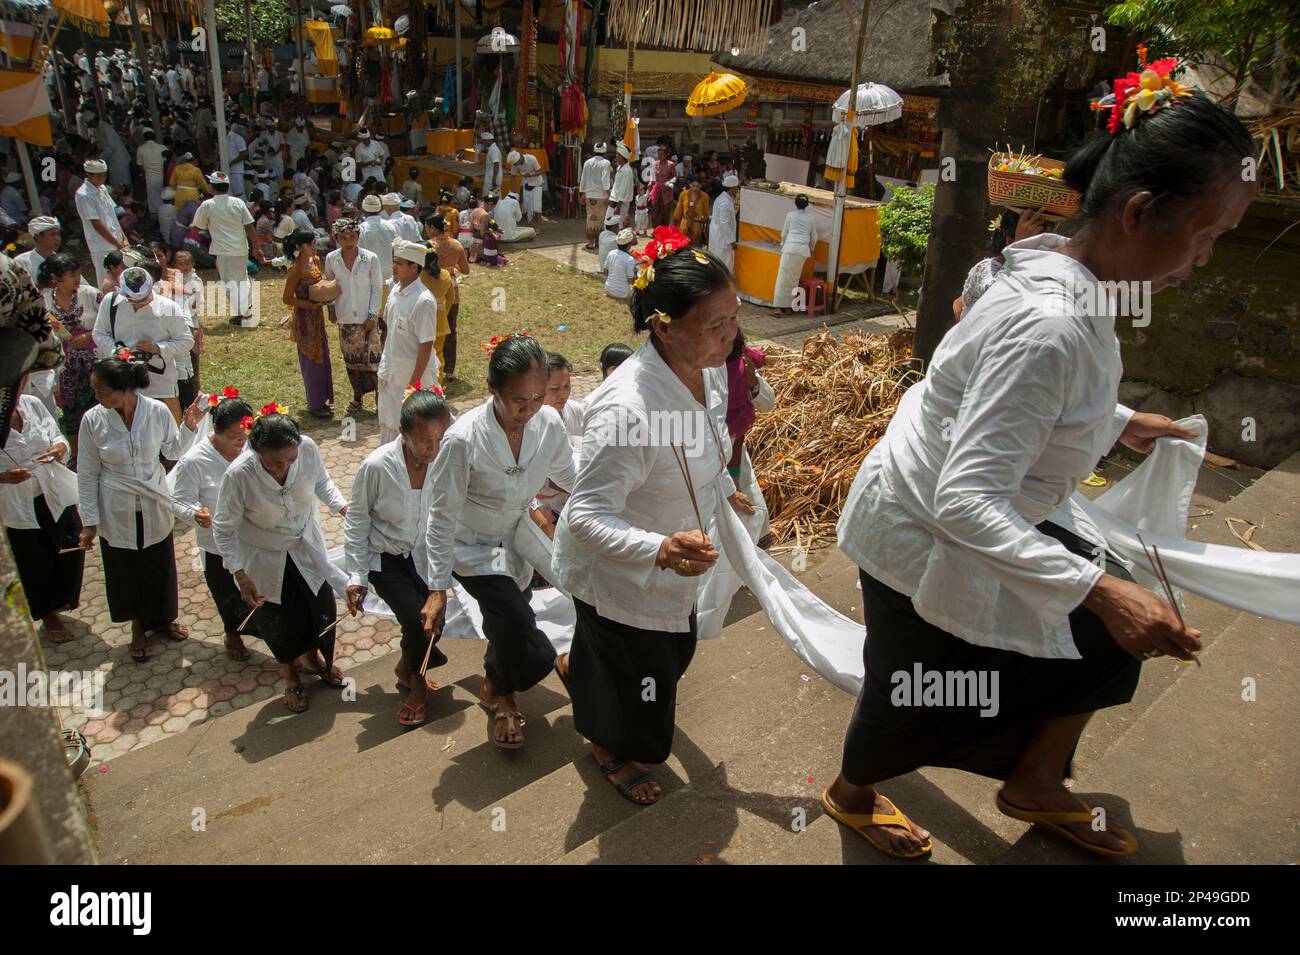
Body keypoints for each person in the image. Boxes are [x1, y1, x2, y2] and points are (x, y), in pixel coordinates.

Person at [825, 83, 1254, 860]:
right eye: (1204, 234)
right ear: (1137, 211)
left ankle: (1036, 775)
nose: (1201, 261)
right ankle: (850, 792)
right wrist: (1102, 589)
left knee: (1105, 640)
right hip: (922, 520)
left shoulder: (1060, 268)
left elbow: (1010, 397)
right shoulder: (1051, 322)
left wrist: (1121, 424)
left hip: (963, 500)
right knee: (913, 692)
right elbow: (966, 495)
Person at [552, 234, 751, 804]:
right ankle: (608, 747)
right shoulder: (627, 409)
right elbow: (585, 514)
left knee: (673, 652)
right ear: (663, 327)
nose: (730, 337)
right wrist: (659, 548)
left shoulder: (705, 366)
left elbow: (700, 442)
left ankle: (583, 667)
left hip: (676, 562)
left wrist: (719, 490)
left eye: (734, 319)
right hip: (624, 573)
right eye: (715, 325)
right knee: (645, 697)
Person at [422, 335, 576, 749]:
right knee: (512, 615)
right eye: (517, 401)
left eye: (538, 399)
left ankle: (494, 684)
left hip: (517, 529)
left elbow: (571, 476)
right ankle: (535, 676)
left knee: (518, 610)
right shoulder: (462, 440)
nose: (527, 411)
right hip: (470, 544)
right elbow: (440, 515)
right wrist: (437, 588)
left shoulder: (548, 424)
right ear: (492, 389)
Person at [213, 408, 349, 713]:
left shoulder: (308, 448)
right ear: (256, 451)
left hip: (306, 545)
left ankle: (315, 658)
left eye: (290, 460)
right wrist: (239, 573)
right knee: (279, 617)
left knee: (319, 605)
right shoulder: (239, 475)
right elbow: (223, 529)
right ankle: (290, 674)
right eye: (274, 463)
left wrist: (342, 508)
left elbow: (322, 483)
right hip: (265, 555)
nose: (282, 468)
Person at [344, 389, 451, 726]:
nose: (432, 448)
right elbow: (357, 520)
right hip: (385, 558)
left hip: (423, 553)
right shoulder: (376, 467)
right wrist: (357, 576)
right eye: (424, 440)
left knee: (434, 620)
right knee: (420, 620)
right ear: (403, 435)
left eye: (440, 438)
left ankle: (407, 668)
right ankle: (417, 687)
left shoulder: (446, 460)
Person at [77, 356, 190, 662]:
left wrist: (189, 428)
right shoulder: (93, 420)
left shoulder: (156, 412)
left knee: (158, 561)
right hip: (116, 503)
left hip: (153, 499)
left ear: (125, 388)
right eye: (95, 390)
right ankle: (137, 625)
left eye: (102, 390)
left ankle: (164, 618)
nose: (97, 396)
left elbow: (173, 451)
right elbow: (87, 472)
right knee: (124, 567)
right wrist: (89, 521)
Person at [171, 390, 257, 661]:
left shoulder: (251, 448)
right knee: (226, 592)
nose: (242, 444)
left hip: (253, 536)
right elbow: (178, 500)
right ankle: (232, 632)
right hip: (216, 543)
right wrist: (196, 514)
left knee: (258, 587)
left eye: (245, 437)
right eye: (235, 438)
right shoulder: (194, 462)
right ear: (217, 431)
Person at [1, 383, 84, 643]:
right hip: (18, 500)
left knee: (73, 545)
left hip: (53, 489)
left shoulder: (31, 404)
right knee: (34, 559)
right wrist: (3, 477)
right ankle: (48, 614)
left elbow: (55, 434)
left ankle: (64, 597)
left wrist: (59, 449)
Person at [92, 265, 194, 423]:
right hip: (123, 379)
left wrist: (158, 348)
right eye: (134, 301)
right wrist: (116, 350)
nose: (140, 305)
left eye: (144, 299)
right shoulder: (110, 303)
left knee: (169, 428)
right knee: (126, 425)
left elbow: (186, 341)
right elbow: (99, 333)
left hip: (160, 380)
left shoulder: (168, 307)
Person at [377, 239, 440, 444]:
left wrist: (414, 383)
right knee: (390, 423)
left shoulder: (424, 300)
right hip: (392, 371)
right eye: (394, 262)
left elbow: (426, 344)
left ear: (415, 267)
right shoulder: (395, 291)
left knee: (417, 428)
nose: (394, 267)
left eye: (400, 264)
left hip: (413, 377)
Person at [37, 254, 100, 457]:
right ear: (56, 278)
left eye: (78, 273)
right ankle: (78, 456)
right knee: (72, 412)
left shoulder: (91, 294)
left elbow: (111, 324)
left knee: (101, 406)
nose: (77, 278)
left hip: (96, 361)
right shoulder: (44, 300)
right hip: (66, 367)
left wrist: (89, 336)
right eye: (71, 274)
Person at [322, 218, 382, 414]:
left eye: (352, 237)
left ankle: (380, 398)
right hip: (345, 317)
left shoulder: (370, 258)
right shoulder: (331, 259)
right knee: (352, 363)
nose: (348, 241)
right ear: (336, 238)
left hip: (367, 318)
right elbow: (330, 285)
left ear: (358, 236)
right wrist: (331, 308)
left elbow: (376, 287)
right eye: (343, 237)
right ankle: (357, 399)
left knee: (374, 362)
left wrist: (372, 315)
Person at [193, 171, 263, 327]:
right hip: (240, 248)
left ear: (212, 187)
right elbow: (250, 227)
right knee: (242, 279)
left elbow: (199, 226)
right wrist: (256, 247)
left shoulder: (208, 205)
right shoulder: (238, 202)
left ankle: (246, 315)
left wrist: (191, 225)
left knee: (230, 283)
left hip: (224, 250)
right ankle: (246, 312)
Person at [953, 208, 1049, 322]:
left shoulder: (1034, 272)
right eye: (1036, 243)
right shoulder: (985, 269)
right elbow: (997, 293)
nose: (1045, 249)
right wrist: (1020, 249)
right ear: (1010, 242)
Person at [282, 230, 336, 418]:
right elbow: (287, 298)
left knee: (322, 354)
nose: (314, 247)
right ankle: (315, 403)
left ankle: (324, 398)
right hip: (305, 318)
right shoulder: (295, 269)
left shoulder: (316, 261)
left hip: (317, 316)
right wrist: (309, 304)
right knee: (311, 358)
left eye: (314, 243)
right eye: (310, 244)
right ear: (299, 247)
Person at [426, 213, 469, 382]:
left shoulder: (429, 246)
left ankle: (433, 366)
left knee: (431, 332)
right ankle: (449, 369)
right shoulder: (456, 245)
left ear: (432, 228)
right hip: (451, 289)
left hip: (432, 290)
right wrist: (452, 267)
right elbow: (466, 270)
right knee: (451, 329)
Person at [75, 159, 127, 285]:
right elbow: (96, 224)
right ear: (89, 175)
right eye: (99, 176)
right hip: (101, 245)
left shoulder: (102, 188)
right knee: (106, 279)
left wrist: (123, 237)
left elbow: (112, 215)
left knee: (122, 275)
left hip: (117, 239)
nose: (102, 178)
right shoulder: (84, 195)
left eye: (104, 175)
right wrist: (117, 243)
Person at [772, 194, 817, 315]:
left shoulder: (790, 215)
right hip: (802, 251)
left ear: (795, 204)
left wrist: (783, 244)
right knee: (794, 278)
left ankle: (778, 307)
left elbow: (784, 234)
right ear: (806, 205)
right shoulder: (811, 218)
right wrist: (811, 248)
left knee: (783, 278)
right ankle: (789, 307)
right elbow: (814, 237)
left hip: (790, 248)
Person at [419, 248, 455, 383]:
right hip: (440, 323)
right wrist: (443, 313)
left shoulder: (418, 277)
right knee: (438, 356)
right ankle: (437, 386)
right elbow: (451, 298)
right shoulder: (446, 275)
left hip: (422, 322)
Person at [578, 142, 612, 249]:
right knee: (600, 219)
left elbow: (583, 178)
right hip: (601, 195)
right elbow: (605, 180)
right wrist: (609, 192)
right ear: (605, 151)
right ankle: (598, 241)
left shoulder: (588, 162)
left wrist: (583, 193)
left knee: (590, 217)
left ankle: (590, 242)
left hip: (589, 195)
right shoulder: (606, 163)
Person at [14, 217, 62, 285]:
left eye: (58, 234)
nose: (57, 238)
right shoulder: (21, 262)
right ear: (37, 237)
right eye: (52, 235)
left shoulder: (62, 260)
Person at [358, 193, 397, 276]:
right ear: (380, 209)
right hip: (389, 273)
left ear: (363, 210)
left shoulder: (361, 229)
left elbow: (359, 255)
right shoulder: (390, 226)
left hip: (370, 274)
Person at [709, 173, 740, 272]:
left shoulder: (723, 198)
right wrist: (731, 241)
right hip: (722, 237)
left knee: (718, 261)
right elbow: (724, 223)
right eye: (736, 188)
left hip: (719, 236)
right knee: (724, 263)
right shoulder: (725, 202)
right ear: (732, 188)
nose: (737, 190)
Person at [135, 129, 168, 219]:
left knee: (153, 199)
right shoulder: (163, 147)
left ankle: (156, 219)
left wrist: (145, 174)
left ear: (144, 138)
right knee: (164, 197)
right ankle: (165, 216)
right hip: (163, 177)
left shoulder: (140, 149)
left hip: (150, 178)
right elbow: (167, 164)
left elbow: (140, 165)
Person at [506, 149, 544, 228]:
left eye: (516, 164)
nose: (515, 165)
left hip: (537, 184)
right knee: (526, 206)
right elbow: (513, 177)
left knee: (537, 208)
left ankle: (538, 227)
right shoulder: (514, 164)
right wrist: (513, 193)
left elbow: (540, 171)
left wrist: (530, 174)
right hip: (526, 184)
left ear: (519, 159)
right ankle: (530, 224)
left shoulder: (531, 159)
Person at [671, 176, 711, 245]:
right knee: (683, 248)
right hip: (684, 226)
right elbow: (678, 210)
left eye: (697, 186)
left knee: (695, 249)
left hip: (697, 227)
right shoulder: (683, 194)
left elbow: (706, 214)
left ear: (701, 186)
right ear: (689, 185)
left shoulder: (705, 197)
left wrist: (706, 225)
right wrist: (674, 223)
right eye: (693, 186)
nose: (695, 188)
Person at [602, 228, 638, 300]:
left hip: (608, 289)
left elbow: (605, 271)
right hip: (622, 294)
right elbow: (630, 281)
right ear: (629, 245)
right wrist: (637, 276)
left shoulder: (611, 253)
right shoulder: (629, 259)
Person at [609, 142, 637, 228]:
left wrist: (618, 207)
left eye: (618, 154)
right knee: (612, 223)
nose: (616, 156)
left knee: (618, 225)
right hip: (615, 199)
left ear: (623, 157)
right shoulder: (619, 167)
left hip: (619, 202)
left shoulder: (626, 171)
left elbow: (623, 189)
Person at [480, 130, 503, 197]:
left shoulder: (493, 150)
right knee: (493, 198)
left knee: (490, 198)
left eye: (484, 141)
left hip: (491, 181)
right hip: (491, 179)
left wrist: (494, 179)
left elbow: (496, 164)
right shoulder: (492, 149)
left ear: (489, 140)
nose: (483, 143)